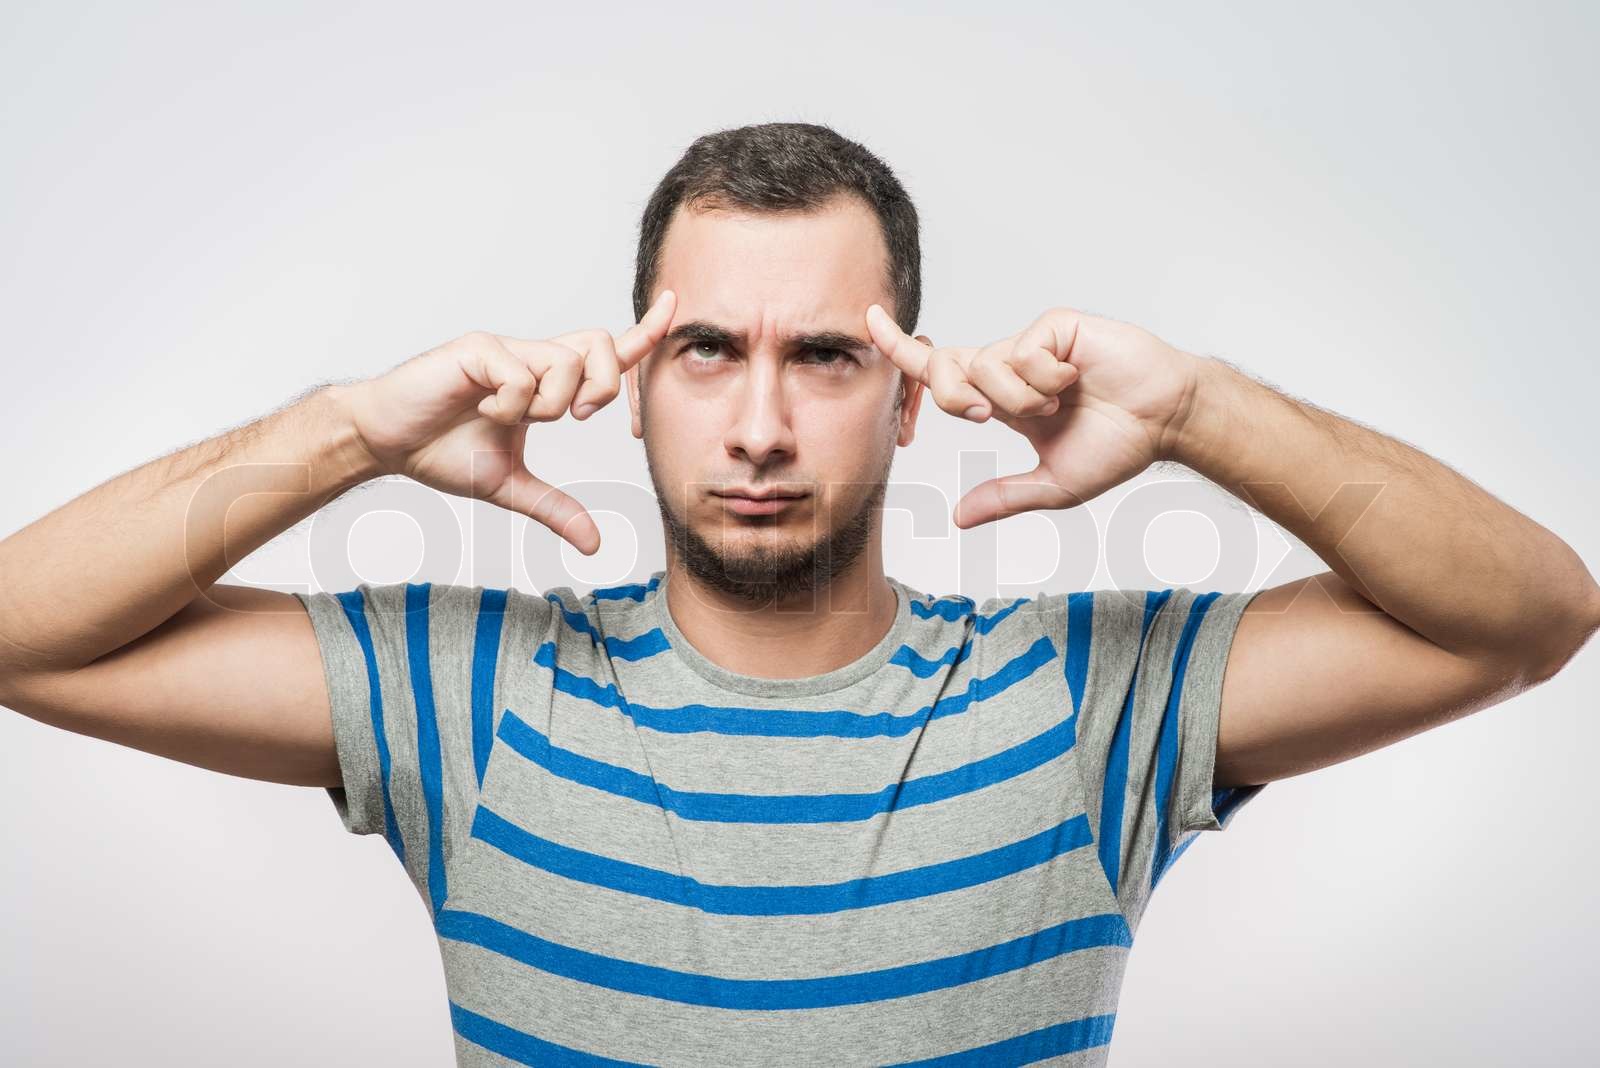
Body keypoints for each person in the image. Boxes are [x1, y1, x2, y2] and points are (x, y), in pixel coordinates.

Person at [1, 121, 1595, 1066]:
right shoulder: (466, 695)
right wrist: (347, 429)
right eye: (707, 348)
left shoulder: (1084, 695)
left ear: (910, 396)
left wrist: (1195, 410)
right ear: (629, 384)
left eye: (826, 355)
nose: (760, 424)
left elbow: (1531, 613)